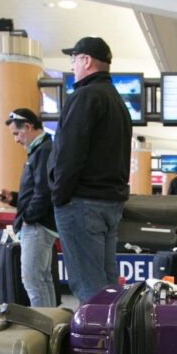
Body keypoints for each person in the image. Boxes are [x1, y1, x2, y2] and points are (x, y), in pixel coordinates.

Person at [49, 36, 131, 303]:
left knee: (88, 287)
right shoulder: (117, 101)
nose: (72, 65)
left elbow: (69, 154)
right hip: (109, 203)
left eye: (73, 59)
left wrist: (59, 196)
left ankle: (96, 342)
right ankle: (114, 340)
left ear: (86, 60)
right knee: (107, 285)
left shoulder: (84, 97)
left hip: (82, 203)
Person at [5, 107, 59, 308]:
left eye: (16, 133)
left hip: (36, 226)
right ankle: (50, 323)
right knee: (43, 279)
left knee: (33, 280)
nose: (16, 139)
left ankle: (42, 329)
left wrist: (28, 217)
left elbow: (43, 190)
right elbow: (37, 190)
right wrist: (14, 199)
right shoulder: (42, 150)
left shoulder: (43, 151)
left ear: (28, 127)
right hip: (39, 224)